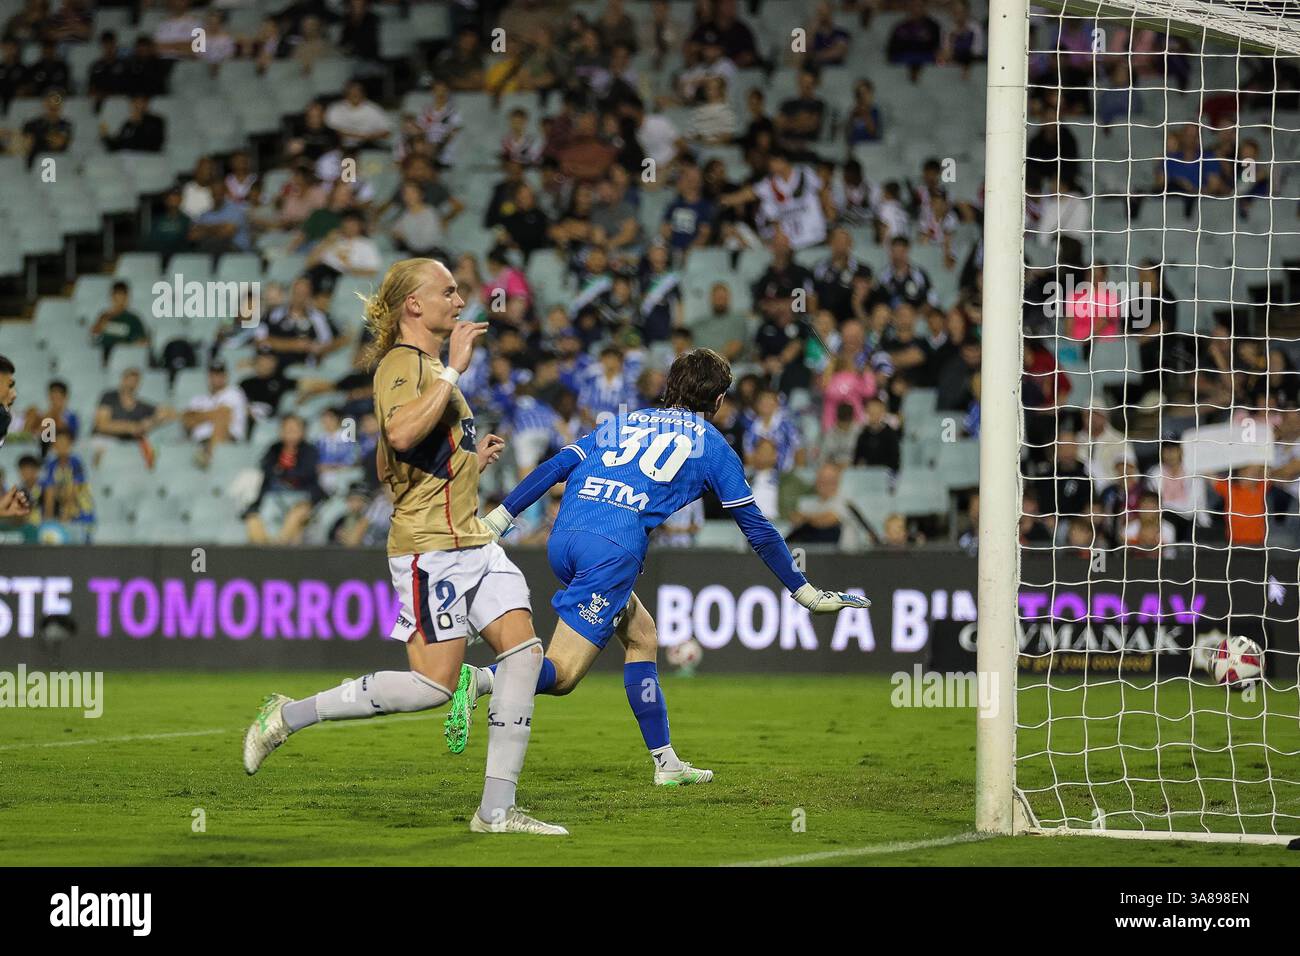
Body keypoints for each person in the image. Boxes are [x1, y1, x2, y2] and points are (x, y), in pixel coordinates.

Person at [241, 257, 565, 836]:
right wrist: (456, 372)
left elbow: (401, 452)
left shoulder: (428, 366)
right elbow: (398, 432)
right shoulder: (403, 363)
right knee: (432, 687)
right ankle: (287, 715)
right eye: (448, 291)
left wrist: (469, 457)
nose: (461, 300)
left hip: (472, 538)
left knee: (523, 652)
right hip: (430, 547)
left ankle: (495, 811)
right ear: (413, 304)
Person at [450, 349, 872, 783]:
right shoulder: (713, 446)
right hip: (612, 551)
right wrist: (803, 591)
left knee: (642, 635)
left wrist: (499, 519)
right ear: (720, 401)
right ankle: (480, 679)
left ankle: (666, 763)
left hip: (565, 536)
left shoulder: (624, 421)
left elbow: (557, 466)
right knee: (562, 675)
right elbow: (759, 530)